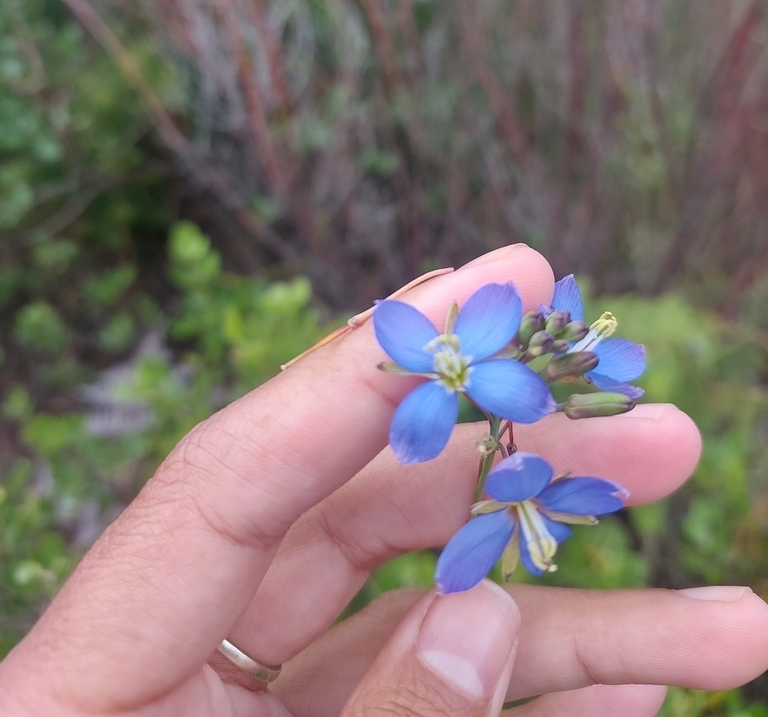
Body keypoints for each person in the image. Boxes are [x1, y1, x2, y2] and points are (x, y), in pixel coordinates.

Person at [1, 244, 766, 717]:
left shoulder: (513, 396)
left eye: (459, 365)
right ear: (440, 358)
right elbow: (497, 352)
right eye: (446, 363)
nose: (453, 368)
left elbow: (527, 406)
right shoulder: (455, 399)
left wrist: (526, 478)